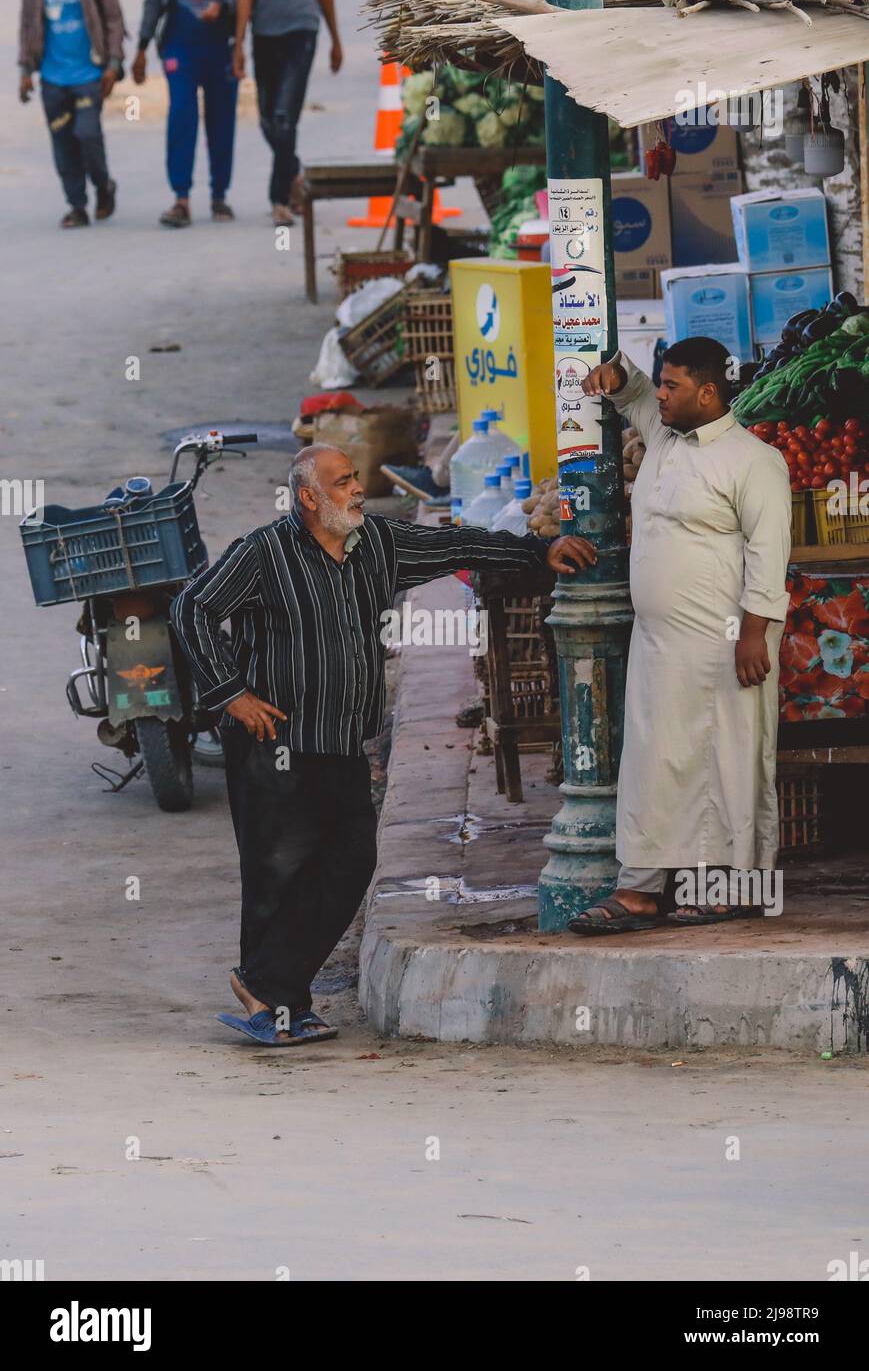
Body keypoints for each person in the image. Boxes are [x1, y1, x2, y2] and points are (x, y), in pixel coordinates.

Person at [171, 445, 594, 1044]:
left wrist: (537, 552)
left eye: (355, 480)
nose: (356, 491)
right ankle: (279, 1005)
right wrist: (230, 693)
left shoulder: (378, 544)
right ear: (309, 498)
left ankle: (265, 984)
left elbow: (460, 546)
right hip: (275, 743)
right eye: (342, 483)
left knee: (350, 860)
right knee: (277, 875)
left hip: (343, 738)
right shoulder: (264, 552)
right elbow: (192, 608)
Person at [568, 337, 792, 935]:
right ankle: (640, 891)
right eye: (662, 384)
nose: (661, 395)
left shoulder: (754, 461)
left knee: (729, 763)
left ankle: (732, 888)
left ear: (709, 391)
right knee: (654, 762)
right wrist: (616, 376)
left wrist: (753, 635)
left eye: (674, 386)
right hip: (658, 643)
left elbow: (770, 558)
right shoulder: (663, 432)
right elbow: (635, 390)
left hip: (726, 643)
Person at [233, 0, 341, 227]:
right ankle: (293, 174)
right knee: (267, 121)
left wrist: (335, 39)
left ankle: (279, 201)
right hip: (264, 32)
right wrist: (238, 44)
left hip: (301, 28)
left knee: (284, 118)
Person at [18, 0, 124, 228]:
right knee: (63, 141)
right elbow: (27, 24)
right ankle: (77, 206)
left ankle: (103, 185)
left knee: (87, 133)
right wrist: (25, 70)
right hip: (52, 79)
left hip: (88, 75)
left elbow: (113, 17)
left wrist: (114, 64)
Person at [133, 0, 238, 227]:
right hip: (179, 42)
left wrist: (223, 6)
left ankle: (219, 194)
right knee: (181, 115)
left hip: (220, 44)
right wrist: (142, 47)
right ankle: (181, 198)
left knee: (221, 119)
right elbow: (153, 3)